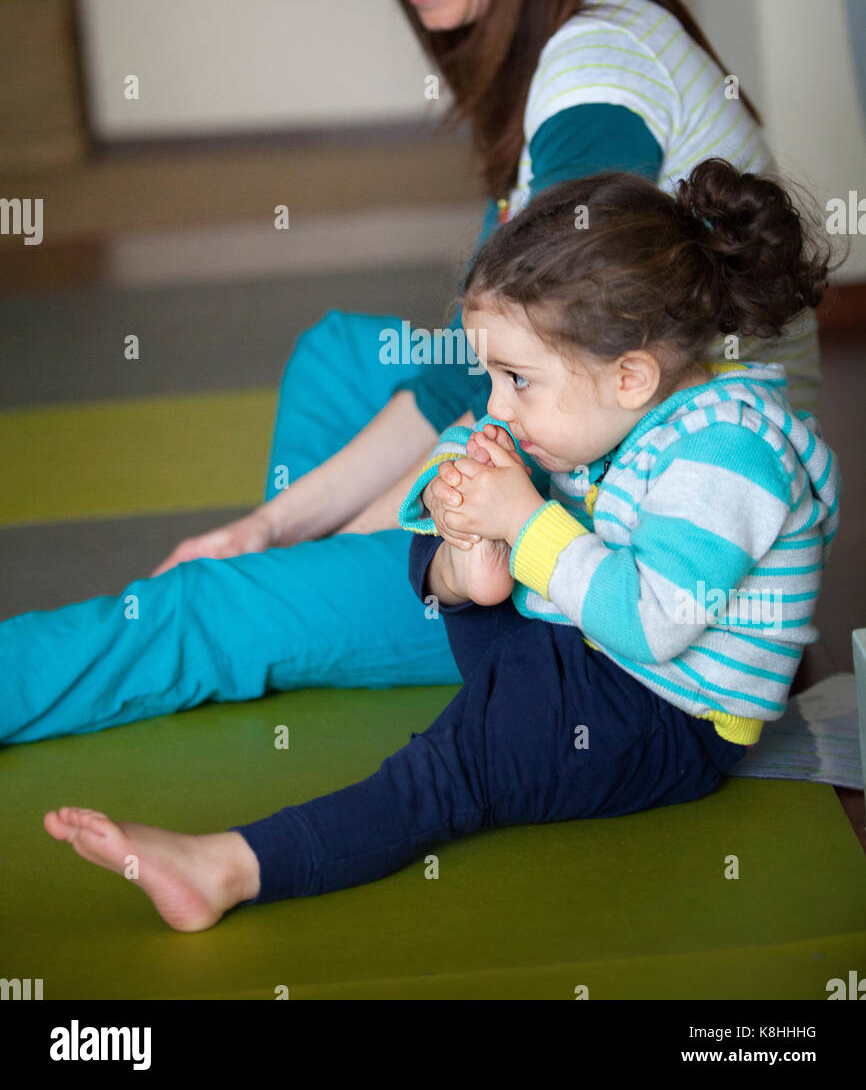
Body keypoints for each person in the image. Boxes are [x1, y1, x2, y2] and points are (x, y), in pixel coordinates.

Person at [4, 0, 821, 745]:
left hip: (652, 562)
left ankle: (306, 615)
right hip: (600, 440)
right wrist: (270, 529)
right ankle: (331, 603)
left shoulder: (591, 86)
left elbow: (534, 378)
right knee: (342, 354)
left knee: (190, 614)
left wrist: (299, 558)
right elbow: (487, 370)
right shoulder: (581, 35)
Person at [43, 158, 841, 930]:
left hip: (669, 721)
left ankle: (227, 867)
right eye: (492, 375)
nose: (500, 404)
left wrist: (524, 519)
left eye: (517, 380)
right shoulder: (604, 412)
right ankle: (471, 573)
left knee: (446, 777)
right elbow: (474, 453)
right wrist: (458, 514)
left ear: (630, 375)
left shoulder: (728, 453)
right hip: (585, 657)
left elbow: (653, 625)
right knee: (439, 531)